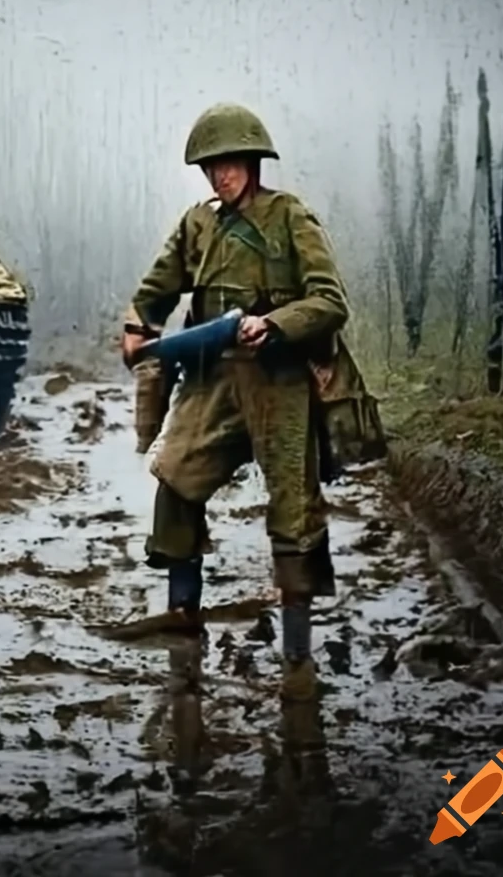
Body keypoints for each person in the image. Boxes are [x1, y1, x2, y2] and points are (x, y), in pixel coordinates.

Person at [122, 103, 361, 702]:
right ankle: (183, 617)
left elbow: (330, 301)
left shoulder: (289, 217)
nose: (219, 176)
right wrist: (137, 321)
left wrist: (275, 324)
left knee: (294, 504)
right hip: (212, 377)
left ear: (253, 161)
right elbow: (155, 289)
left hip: (278, 378)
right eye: (210, 166)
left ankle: (299, 650)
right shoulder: (196, 226)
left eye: (228, 163)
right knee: (175, 480)